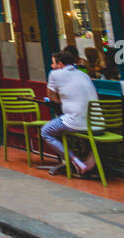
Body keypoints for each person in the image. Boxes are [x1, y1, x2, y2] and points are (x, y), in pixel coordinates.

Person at [41, 46, 100, 177]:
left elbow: (51, 96)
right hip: (98, 123)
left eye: (53, 63)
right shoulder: (83, 74)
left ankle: (75, 161)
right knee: (75, 133)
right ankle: (86, 160)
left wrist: (62, 100)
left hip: (76, 122)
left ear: (60, 64)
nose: (52, 65)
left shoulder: (55, 74)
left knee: (46, 131)